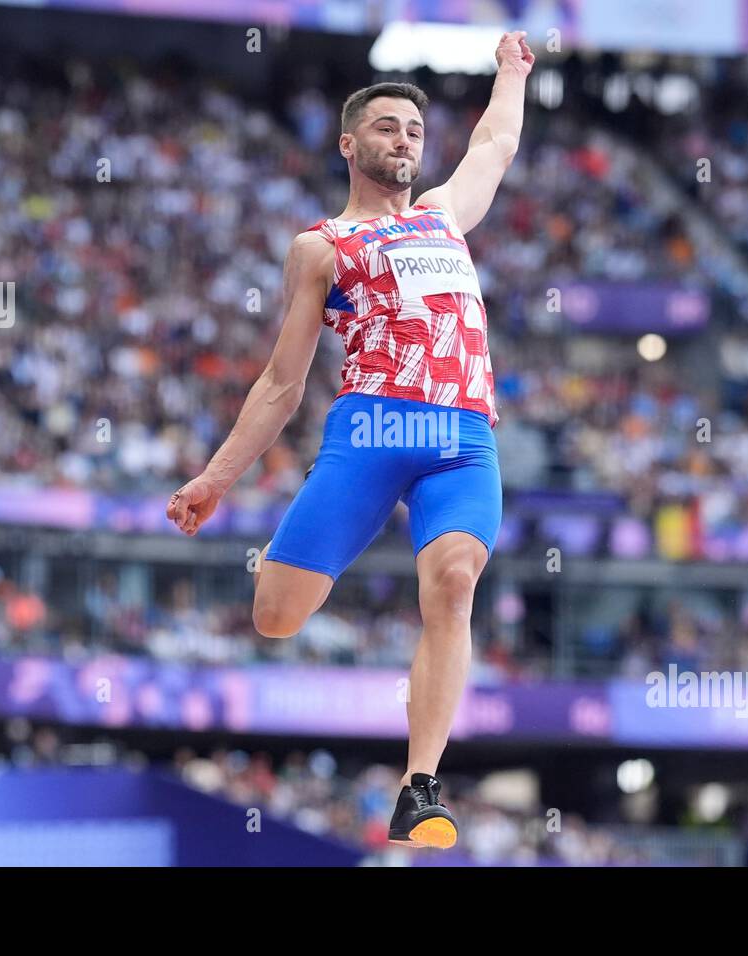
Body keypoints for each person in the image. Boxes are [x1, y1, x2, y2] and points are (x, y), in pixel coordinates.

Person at [167, 32, 535, 848]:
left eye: (413, 130)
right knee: (276, 616)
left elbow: (497, 142)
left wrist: (510, 73)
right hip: (370, 431)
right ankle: (400, 692)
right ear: (349, 144)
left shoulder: (445, 218)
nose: (404, 140)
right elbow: (282, 382)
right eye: (387, 128)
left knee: (454, 581)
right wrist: (215, 480)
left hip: (462, 439)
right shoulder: (322, 249)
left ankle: (421, 785)